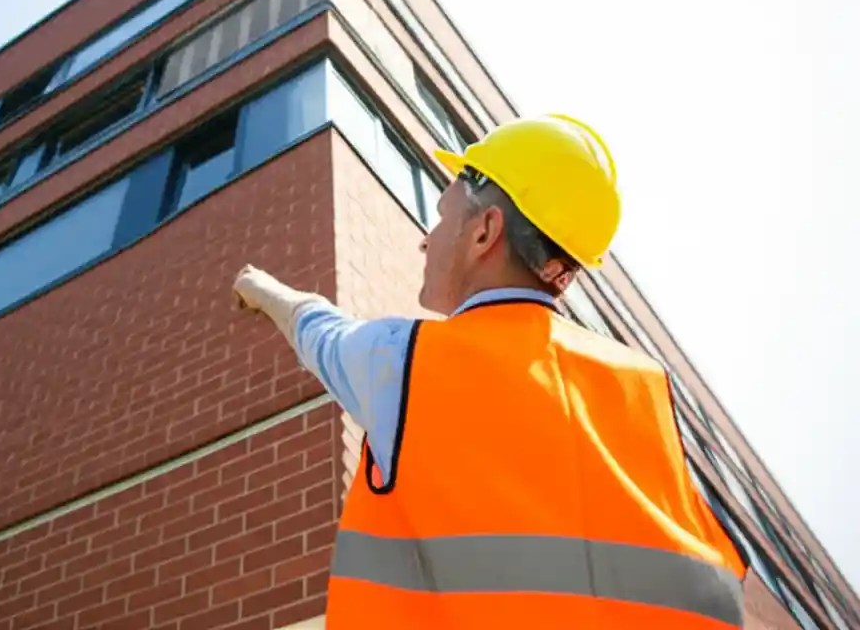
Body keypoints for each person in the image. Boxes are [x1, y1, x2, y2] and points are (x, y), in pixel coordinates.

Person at [232, 114, 748, 629]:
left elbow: (321, 334)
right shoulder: (643, 389)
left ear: (484, 232)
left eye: (438, 216)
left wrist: (265, 290)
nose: (424, 239)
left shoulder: (411, 362)